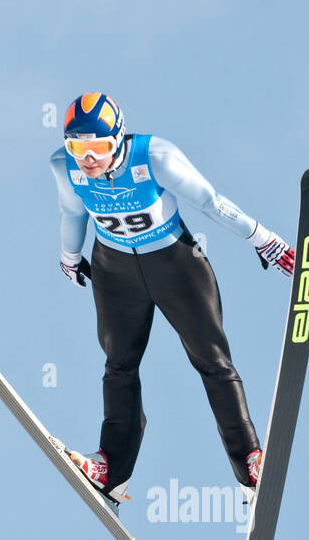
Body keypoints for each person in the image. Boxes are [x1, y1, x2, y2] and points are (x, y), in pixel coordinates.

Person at [50, 92, 294, 510]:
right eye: (78, 148)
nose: (88, 159)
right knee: (118, 366)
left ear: (119, 139)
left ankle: (251, 464)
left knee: (212, 361)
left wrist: (263, 238)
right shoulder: (64, 166)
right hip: (115, 271)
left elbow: (210, 202)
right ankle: (111, 470)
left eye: (99, 148)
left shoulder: (155, 155)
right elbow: (72, 213)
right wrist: (70, 256)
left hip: (176, 265)